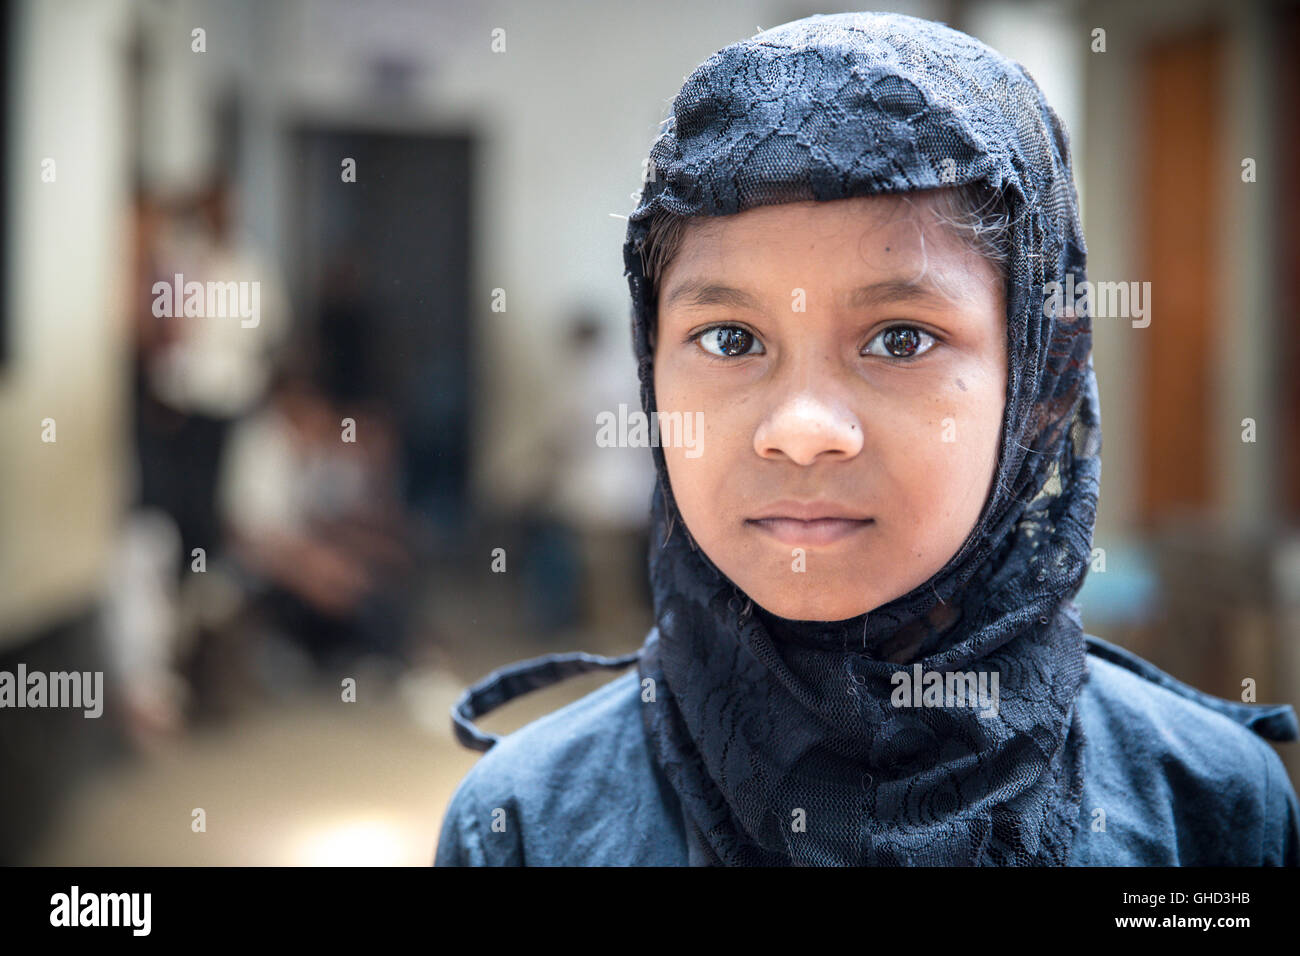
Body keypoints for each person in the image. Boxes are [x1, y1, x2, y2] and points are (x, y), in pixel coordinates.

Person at [434, 11, 1300, 866]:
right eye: (732, 339)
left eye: (900, 339)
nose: (804, 433)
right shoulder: (527, 827)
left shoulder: (1211, 811)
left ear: (1041, 386)